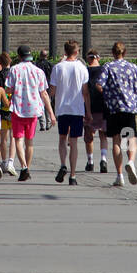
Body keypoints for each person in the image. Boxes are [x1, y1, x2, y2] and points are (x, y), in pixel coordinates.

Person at [97, 41, 137, 187]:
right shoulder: (133, 67)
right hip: (129, 109)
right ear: (125, 53)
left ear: (113, 53)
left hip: (114, 109)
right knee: (130, 138)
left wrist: (109, 95)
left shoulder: (108, 67)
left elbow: (99, 84)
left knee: (116, 141)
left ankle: (119, 176)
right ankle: (131, 161)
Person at [5, 45, 55, 182]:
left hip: (18, 109)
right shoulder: (38, 71)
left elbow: (8, 89)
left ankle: (24, 167)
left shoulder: (14, 70)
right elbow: (44, 93)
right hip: (33, 109)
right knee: (30, 141)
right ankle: (28, 168)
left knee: (18, 140)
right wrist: (51, 113)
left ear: (19, 56)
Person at [49, 39, 89, 185]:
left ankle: (63, 164)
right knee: (74, 142)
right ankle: (72, 175)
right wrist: (88, 111)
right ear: (77, 52)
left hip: (62, 108)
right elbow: (85, 92)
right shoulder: (82, 68)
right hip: (77, 108)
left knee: (62, 139)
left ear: (65, 52)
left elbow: (52, 91)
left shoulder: (58, 68)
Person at [83, 48, 109, 173]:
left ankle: (90, 161)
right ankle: (103, 159)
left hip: (89, 107)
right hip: (103, 107)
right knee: (103, 134)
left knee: (89, 135)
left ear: (89, 59)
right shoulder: (104, 69)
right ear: (98, 58)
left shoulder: (85, 71)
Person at [0, 51, 16, 175]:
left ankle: (3, 162)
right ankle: (11, 162)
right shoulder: (14, 74)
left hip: (2, 110)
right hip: (14, 109)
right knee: (14, 137)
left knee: (3, 138)